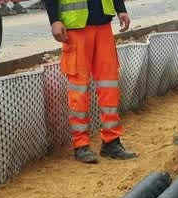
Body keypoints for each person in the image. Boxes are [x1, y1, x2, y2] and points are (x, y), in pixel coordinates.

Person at [46, 0, 138, 163]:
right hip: (76, 29)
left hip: (103, 26)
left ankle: (111, 142)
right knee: (78, 90)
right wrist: (54, 19)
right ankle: (81, 145)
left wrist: (120, 9)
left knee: (109, 86)